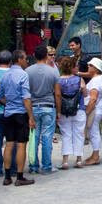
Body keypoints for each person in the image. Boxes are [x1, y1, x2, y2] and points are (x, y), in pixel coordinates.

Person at [0, 49, 34, 185]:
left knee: (8, 144)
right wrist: (30, 116)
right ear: (19, 59)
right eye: (25, 58)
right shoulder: (23, 75)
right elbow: (26, 97)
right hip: (20, 113)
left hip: (8, 113)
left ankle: (7, 176)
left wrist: (9, 103)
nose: (26, 61)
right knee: (21, 145)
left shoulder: (5, 75)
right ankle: (19, 177)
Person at [27, 42, 60, 174]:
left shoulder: (28, 71)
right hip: (48, 106)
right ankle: (46, 165)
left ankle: (33, 165)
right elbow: (57, 93)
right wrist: (58, 110)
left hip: (33, 106)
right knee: (47, 137)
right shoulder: (53, 71)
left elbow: (26, 93)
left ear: (34, 55)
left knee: (34, 137)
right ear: (47, 55)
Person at [57, 55, 86, 168]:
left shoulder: (59, 80)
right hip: (78, 109)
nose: (78, 68)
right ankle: (79, 159)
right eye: (76, 66)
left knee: (66, 135)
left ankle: (65, 160)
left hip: (64, 111)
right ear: (72, 67)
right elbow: (85, 93)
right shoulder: (79, 79)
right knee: (79, 134)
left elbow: (57, 95)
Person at [80, 57, 102, 165]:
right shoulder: (98, 78)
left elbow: (93, 99)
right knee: (93, 131)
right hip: (97, 107)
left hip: (95, 109)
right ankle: (95, 154)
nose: (88, 67)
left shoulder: (96, 81)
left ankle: (95, 155)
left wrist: (87, 111)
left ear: (95, 68)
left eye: (90, 66)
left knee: (93, 131)